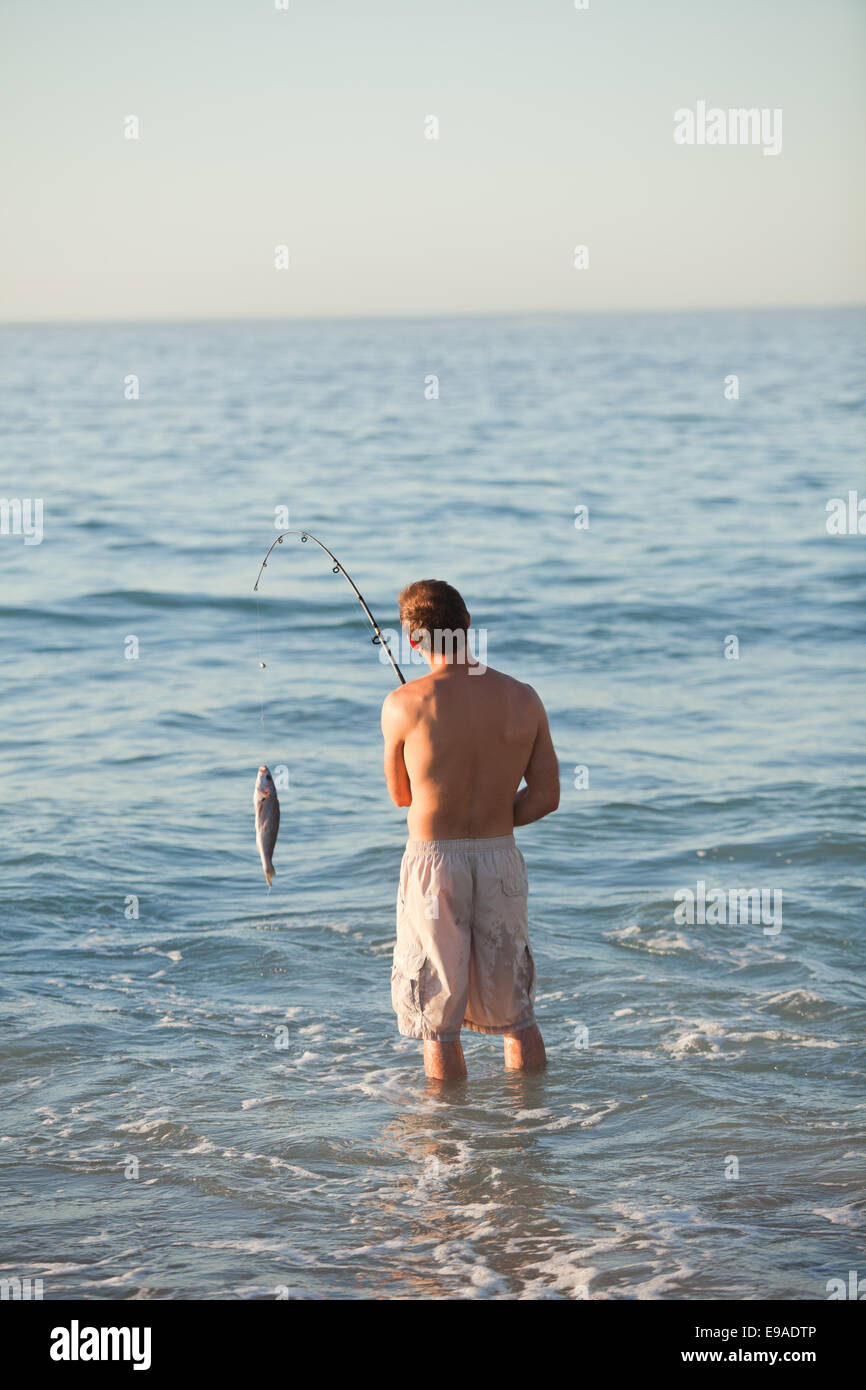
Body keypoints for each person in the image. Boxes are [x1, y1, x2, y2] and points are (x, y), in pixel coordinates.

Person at [381, 579, 559, 1081]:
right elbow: (546, 797)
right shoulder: (522, 698)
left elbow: (401, 796)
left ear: (413, 642)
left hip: (434, 863)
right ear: (467, 627)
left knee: (437, 1019)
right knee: (516, 1014)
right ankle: (528, 1130)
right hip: (500, 855)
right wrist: (497, 820)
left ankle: (446, 1146)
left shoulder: (402, 704)